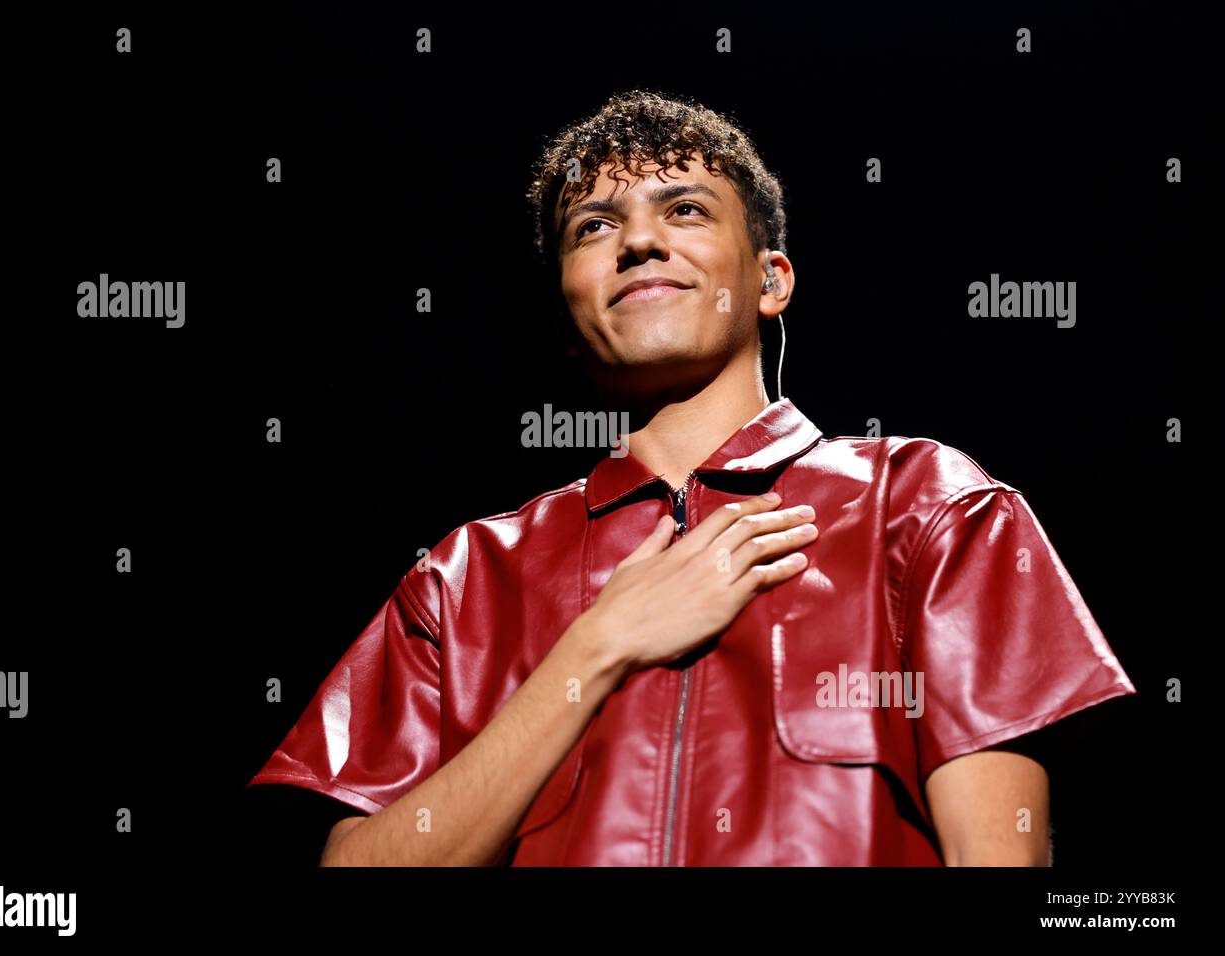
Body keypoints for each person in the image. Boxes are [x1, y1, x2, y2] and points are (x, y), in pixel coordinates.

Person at [246, 90, 1135, 866]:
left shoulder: (926, 503)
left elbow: (997, 853)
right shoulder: (460, 579)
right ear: (566, 310)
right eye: (593, 227)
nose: (637, 240)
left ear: (771, 281)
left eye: (685, 210)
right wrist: (596, 648)